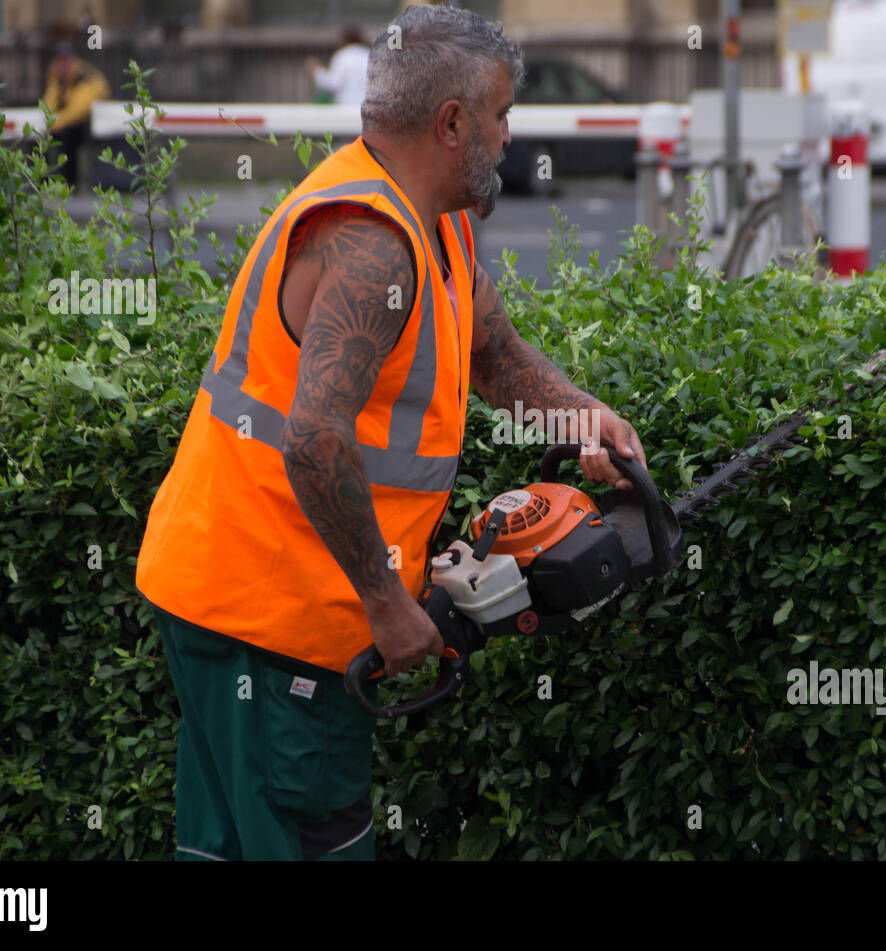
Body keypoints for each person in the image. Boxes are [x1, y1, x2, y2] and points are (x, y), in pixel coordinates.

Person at [135, 4, 646, 862]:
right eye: (501, 115)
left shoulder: (432, 222)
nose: (510, 135)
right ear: (453, 125)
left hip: (248, 601)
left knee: (229, 846)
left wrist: (583, 417)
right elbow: (314, 440)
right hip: (269, 620)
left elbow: (496, 353)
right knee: (309, 842)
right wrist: (386, 602)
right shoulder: (370, 243)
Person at [41, 40, 110, 188]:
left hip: (88, 126)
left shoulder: (85, 77)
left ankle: (70, 182)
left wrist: (54, 124)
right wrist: (55, 82)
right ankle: (42, 181)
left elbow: (77, 111)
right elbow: (48, 106)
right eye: (59, 61)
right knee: (40, 137)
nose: (62, 65)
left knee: (67, 136)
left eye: (65, 60)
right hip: (64, 123)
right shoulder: (59, 78)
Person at [305, 26, 370, 105]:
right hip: (367, 107)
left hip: (346, 106)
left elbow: (334, 83)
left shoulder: (343, 56)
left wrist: (317, 71)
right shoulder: (368, 55)